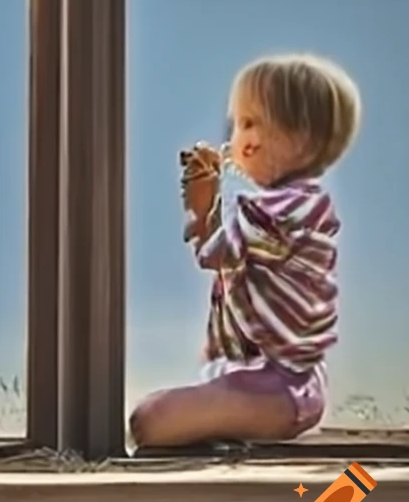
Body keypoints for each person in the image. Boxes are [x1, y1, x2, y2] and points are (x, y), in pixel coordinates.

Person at [129, 53, 361, 449]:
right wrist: (208, 208)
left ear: (300, 139)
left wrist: (202, 202)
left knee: (149, 421)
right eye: (236, 124)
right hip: (269, 383)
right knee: (162, 416)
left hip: (282, 390)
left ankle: (231, 438)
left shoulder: (294, 207)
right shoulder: (287, 206)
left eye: (249, 123)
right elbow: (224, 246)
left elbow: (216, 251)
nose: (238, 138)